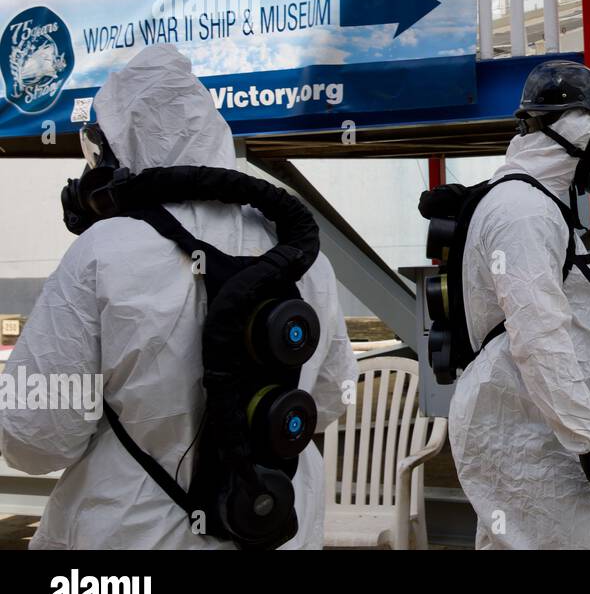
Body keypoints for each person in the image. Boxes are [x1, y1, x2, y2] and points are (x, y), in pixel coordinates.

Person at [0, 45, 357, 549]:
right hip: (275, 522)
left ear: (120, 151)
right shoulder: (301, 254)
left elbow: (37, 438)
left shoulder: (104, 251)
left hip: (136, 533)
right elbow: (329, 396)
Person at [448, 61, 590, 549]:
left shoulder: (536, 204)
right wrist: (588, 442)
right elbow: (538, 335)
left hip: (533, 426)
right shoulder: (525, 213)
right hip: (530, 435)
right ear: (570, 130)